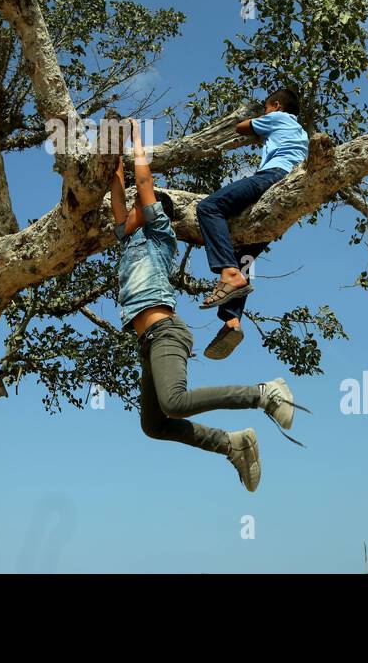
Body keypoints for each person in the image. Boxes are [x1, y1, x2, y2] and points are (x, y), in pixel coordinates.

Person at [112, 118, 305, 492]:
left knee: (175, 402)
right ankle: (232, 444)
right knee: (154, 424)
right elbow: (120, 199)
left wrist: (137, 141)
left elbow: (144, 184)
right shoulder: (129, 238)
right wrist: (113, 162)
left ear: (157, 213)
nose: (132, 208)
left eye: (141, 204)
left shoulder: (158, 233)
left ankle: (264, 395)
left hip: (165, 331)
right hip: (147, 341)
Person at [196, 89, 309, 360]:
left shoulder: (279, 117)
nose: (266, 111)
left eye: (267, 106)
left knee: (209, 207)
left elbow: (241, 127)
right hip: (291, 194)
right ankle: (232, 322)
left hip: (273, 176)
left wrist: (256, 118)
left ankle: (229, 273)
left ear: (277, 105)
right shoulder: (301, 133)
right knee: (245, 252)